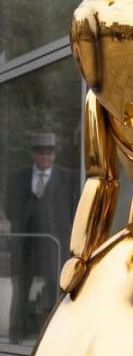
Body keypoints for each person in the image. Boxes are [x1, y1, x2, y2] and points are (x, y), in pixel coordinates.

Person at [5, 132, 78, 343]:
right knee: (21, 289)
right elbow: (11, 209)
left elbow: (75, 211)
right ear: (33, 154)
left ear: (54, 153)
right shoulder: (18, 178)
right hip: (26, 245)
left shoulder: (69, 178)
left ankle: (54, 337)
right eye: (40, 151)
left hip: (56, 246)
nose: (45, 156)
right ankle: (17, 335)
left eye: (49, 151)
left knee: (56, 289)